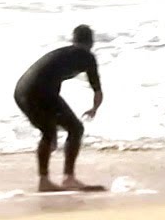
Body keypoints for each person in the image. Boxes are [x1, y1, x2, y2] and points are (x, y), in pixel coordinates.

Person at [13, 25, 104, 192]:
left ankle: (44, 180)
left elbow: (49, 78)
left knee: (48, 132)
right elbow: (97, 89)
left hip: (21, 91)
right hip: (39, 91)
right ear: (91, 42)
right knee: (75, 129)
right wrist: (94, 108)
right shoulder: (86, 56)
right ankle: (68, 178)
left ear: (73, 40)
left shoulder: (63, 53)